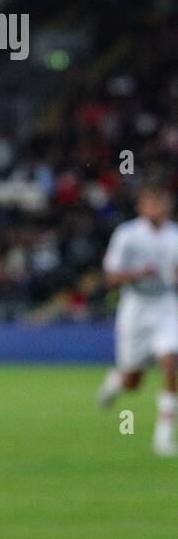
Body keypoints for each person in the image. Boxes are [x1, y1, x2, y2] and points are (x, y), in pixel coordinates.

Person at [96, 181, 178, 456]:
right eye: (151, 202)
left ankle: (163, 436)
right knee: (133, 380)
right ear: (141, 207)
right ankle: (115, 382)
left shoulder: (175, 236)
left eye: (162, 202)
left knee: (171, 361)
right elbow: (110, 277)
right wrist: (138, 274)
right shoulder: (128, 235)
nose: (158, 208)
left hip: (166, 305)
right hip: (136, 307)